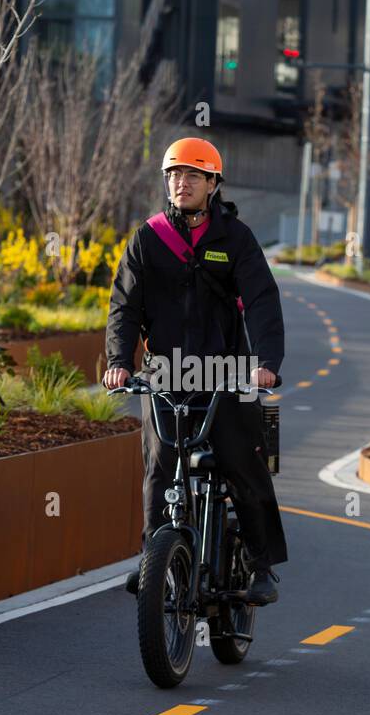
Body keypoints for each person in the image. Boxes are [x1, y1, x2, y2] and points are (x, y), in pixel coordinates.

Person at [103, 136, 288, 605]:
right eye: (173, 175)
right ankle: (154, 560)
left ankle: (261, 565)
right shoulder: (148, 238)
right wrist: (120, 363)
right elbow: (124, 306)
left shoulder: (236, 239)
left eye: (192, 176)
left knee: (245, 461)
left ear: (212, 184)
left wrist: (266, 364)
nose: (181, 183)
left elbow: (262, 301)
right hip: (167, 371)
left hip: (228, 371)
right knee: (159, 467)